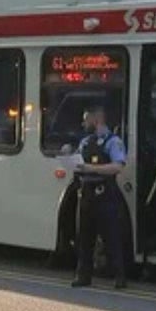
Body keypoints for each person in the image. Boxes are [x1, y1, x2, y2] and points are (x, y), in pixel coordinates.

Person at [65, 106, 128, 289]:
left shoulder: (113, 142)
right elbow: (78, 161)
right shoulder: (85, 142)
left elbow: (117, 167)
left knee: (111, 237)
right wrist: (69, 157)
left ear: (97, 119)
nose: (83, 123)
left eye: (86, 119)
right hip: (86, 194)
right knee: (84, 238)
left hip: (105, 194)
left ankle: (119, 276)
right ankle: (83, 275)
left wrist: (92, 168)